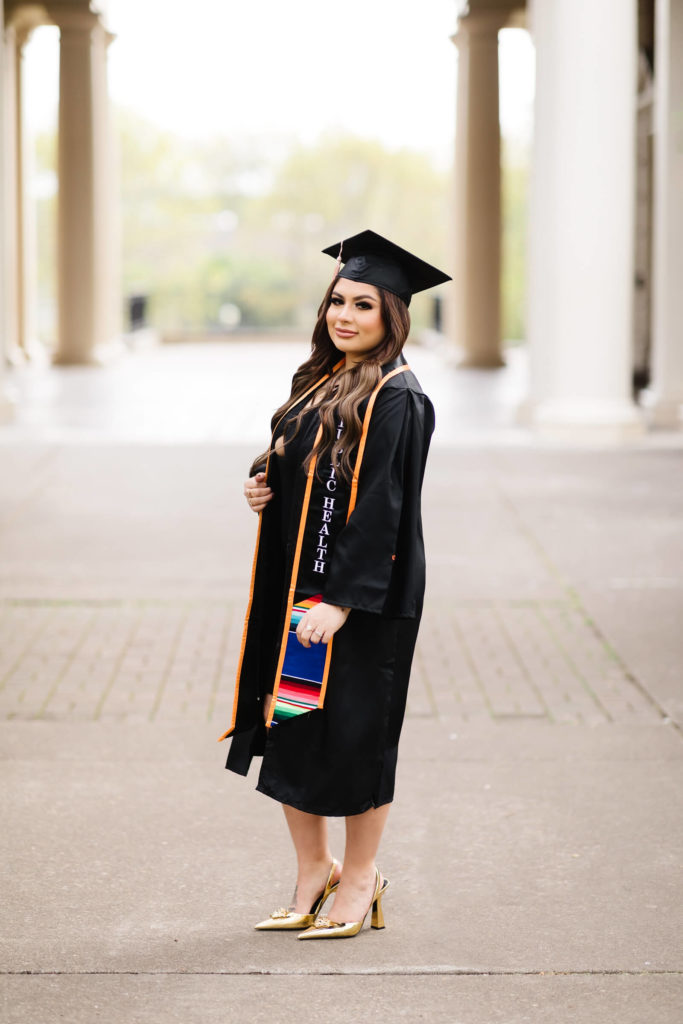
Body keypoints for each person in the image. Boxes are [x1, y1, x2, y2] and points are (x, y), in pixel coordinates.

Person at [219, 229, 450, 939]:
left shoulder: (397, 398)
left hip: (359, 604)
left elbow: (383, 506)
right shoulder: (318, 381)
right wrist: (265, 486)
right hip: (299, 597)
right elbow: (295, 462)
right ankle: (311, 870)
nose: (343, 316)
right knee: (291, 726)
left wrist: (340, 601)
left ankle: (360, 879)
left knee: (356, 737)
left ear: (392, 318)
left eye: (363, 306)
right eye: (336, 302)